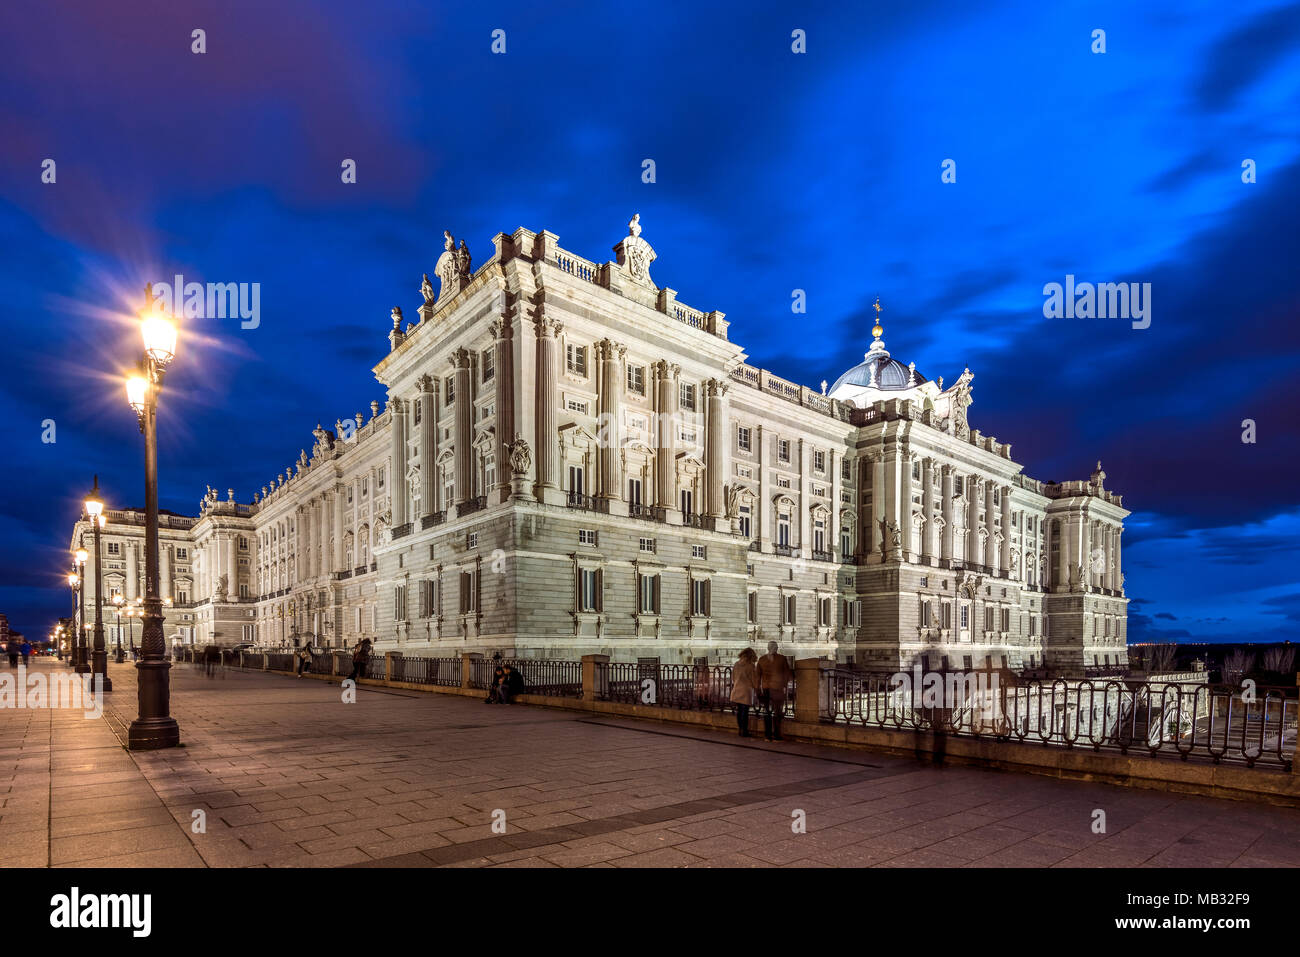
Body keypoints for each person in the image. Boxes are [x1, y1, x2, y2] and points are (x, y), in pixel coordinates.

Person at [756, 641, 794, 741]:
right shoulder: (782, 658)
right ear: (776, 648)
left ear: (768, 648)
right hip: (777, 689)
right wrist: (784, 685)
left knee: (767, 712)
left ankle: (767, 735)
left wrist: (758, 689)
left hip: (765, 689)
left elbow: (757, 676)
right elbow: (787, 674)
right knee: (777, 713)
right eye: (776, 647)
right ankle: (777, 735)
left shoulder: (762, 659)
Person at [729, 648, 758, 737]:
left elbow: (733, 678)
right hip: (746, 690)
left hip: (737, 689)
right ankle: (744, 731)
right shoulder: (751, 665)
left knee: (739, 711)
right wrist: (756, 688)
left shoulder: (736, 664)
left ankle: (740, 729)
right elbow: (754, 680)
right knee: (745, 712)